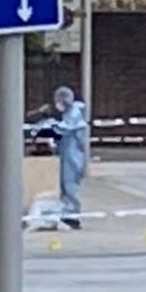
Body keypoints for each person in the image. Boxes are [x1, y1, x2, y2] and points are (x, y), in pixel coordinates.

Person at [52, 86, 87, 230]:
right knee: (65, 185)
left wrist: (48, 128)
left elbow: (64, 128)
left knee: (70, 185)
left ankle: (72, 215)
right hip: (68, 154)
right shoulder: (68, 113)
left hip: (73, 156)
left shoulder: (74, 113)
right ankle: (67, 212)